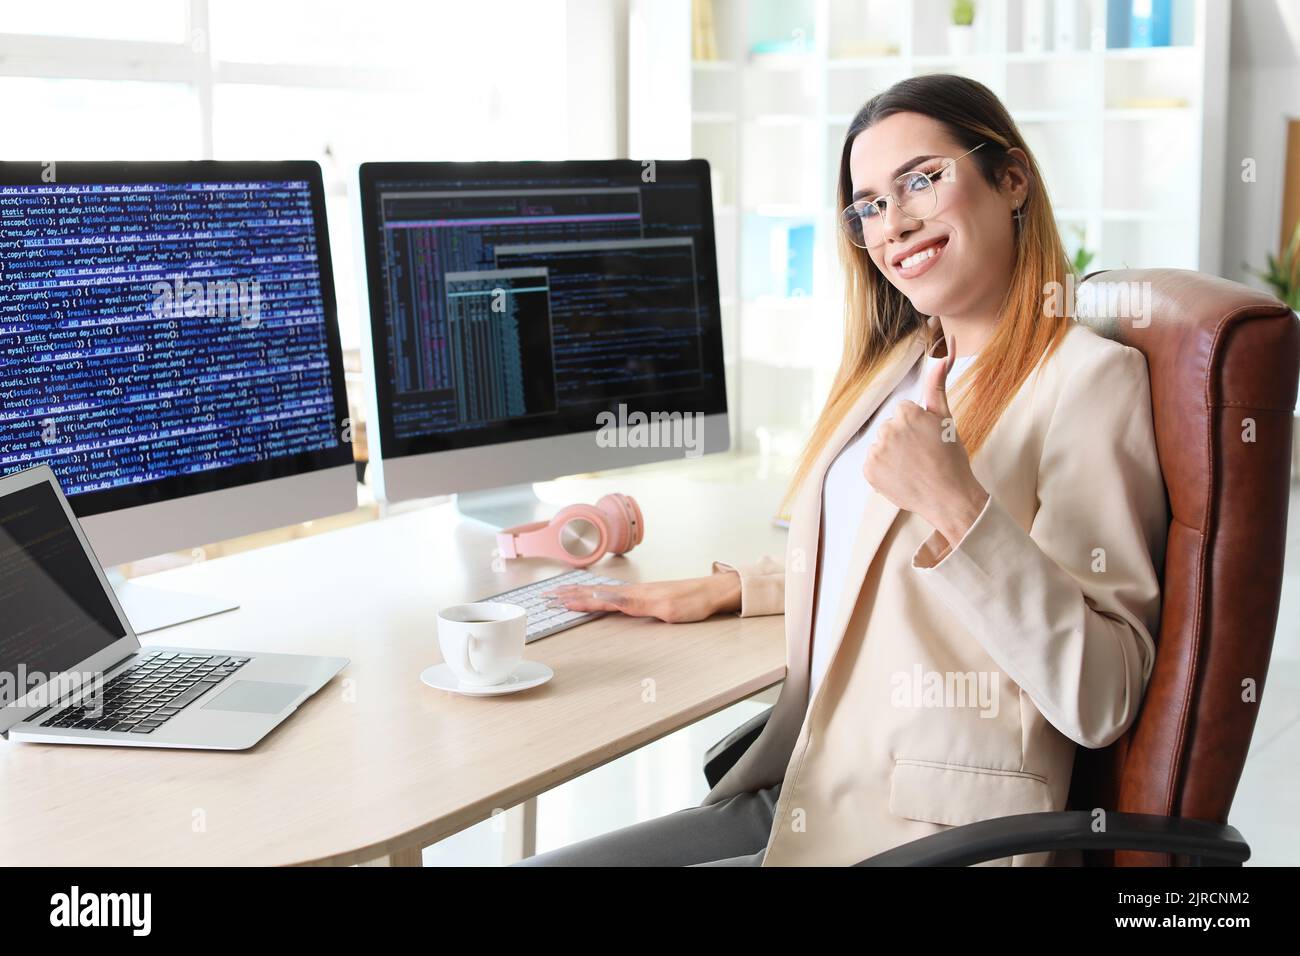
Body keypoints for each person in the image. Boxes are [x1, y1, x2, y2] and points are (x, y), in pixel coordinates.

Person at [519, 73, 1169, 867]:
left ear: (1012, 179)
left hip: (918, 833)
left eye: (921, 180)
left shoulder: (1087, 381)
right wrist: (741, 587)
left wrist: (954, 502)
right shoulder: (898, 362)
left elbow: (1102, 692)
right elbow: (883, 565)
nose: (893, 223)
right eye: (867, 205)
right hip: (806, 781)